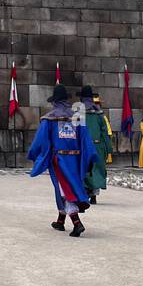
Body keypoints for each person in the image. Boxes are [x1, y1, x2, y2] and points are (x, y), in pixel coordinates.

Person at [28, 84, 99, 237]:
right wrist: (90, 157)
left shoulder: (49, 119)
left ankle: (77, 222)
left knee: (64, 190)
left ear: (54, 101)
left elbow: (40, 140)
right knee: (67, 187)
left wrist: (33, 154)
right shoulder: (77, 118)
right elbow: (85, 139)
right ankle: (60, 221)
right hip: (75, 160)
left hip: (59, 160)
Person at [80, 86, 111, 204]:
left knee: (83, 169)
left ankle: (85, 192)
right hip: (97, 145)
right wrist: (108, 148)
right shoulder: (99, 114)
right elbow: (104, 132)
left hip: (83, 146)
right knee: (96, 169)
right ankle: (94, 195)